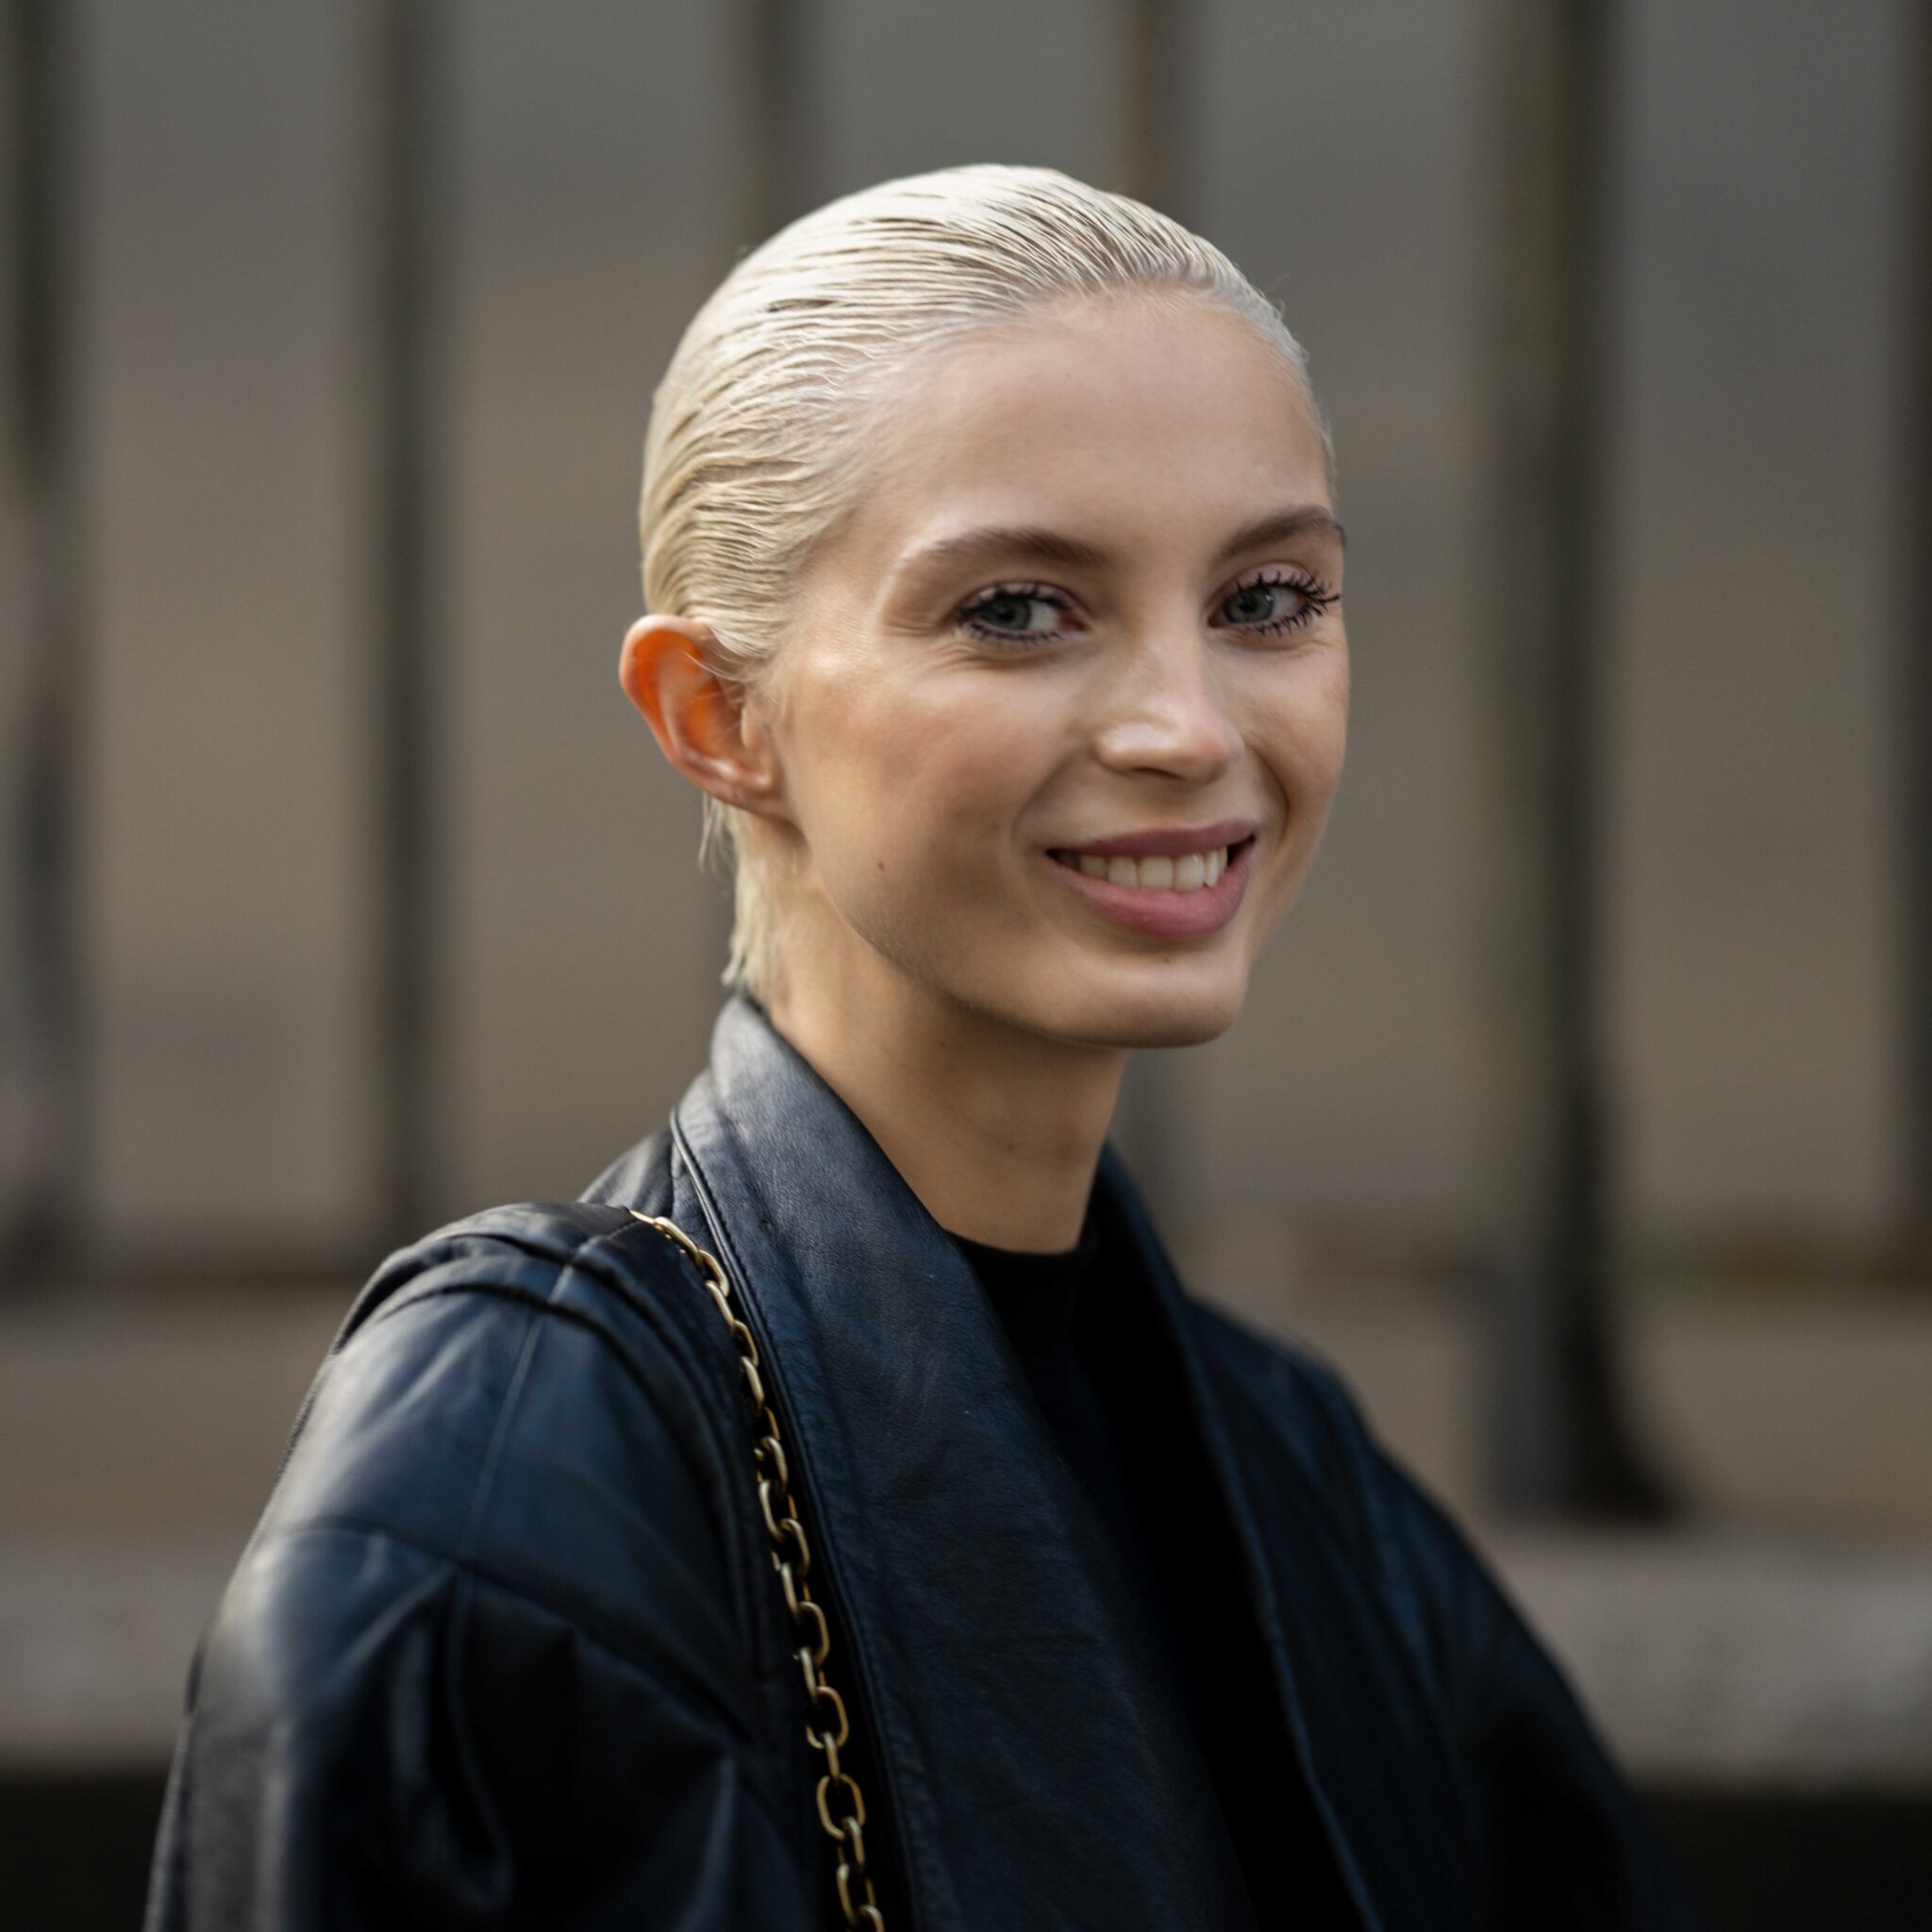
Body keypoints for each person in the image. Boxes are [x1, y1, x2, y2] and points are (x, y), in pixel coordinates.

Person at [145, 164, 1697, 1931]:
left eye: (1268, 598)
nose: (1188, 727)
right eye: (1019, 610)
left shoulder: (1298, 1476)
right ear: (717, 717)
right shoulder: (512, 1472)